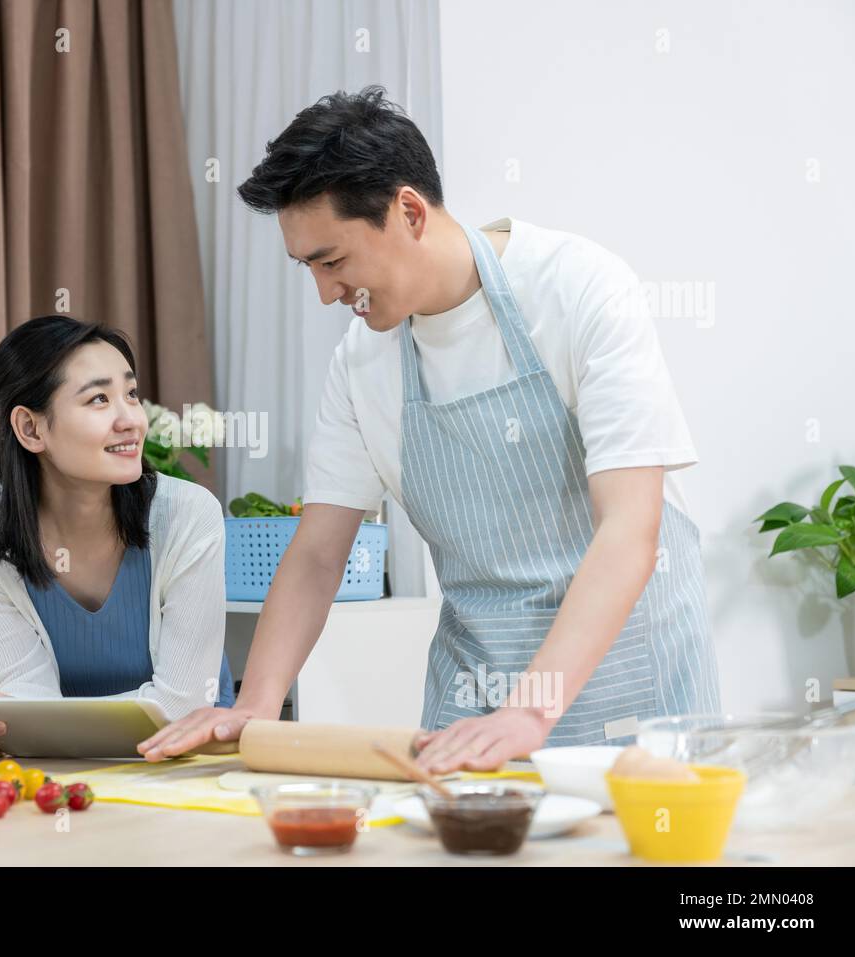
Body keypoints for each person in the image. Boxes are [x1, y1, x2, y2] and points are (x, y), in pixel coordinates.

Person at [139, 86, 720, 772]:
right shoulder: (361, 364)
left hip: (634, 691)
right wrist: (257, 704)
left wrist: (531, 710)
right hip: (476, 699)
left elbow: (630, 528)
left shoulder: (578, 289)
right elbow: (320, 552)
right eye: (308, 269)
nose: (325, 293)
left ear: (409, 211)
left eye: (332, 261)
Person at [0, 315, 234, 743]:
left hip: (187, 760)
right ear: (30, 428)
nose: (130, 419)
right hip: (63, 760)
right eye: (98, 400)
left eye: (130, 394)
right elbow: (26, 685)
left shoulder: (187, 514)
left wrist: (17, 713)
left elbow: (182, 705)